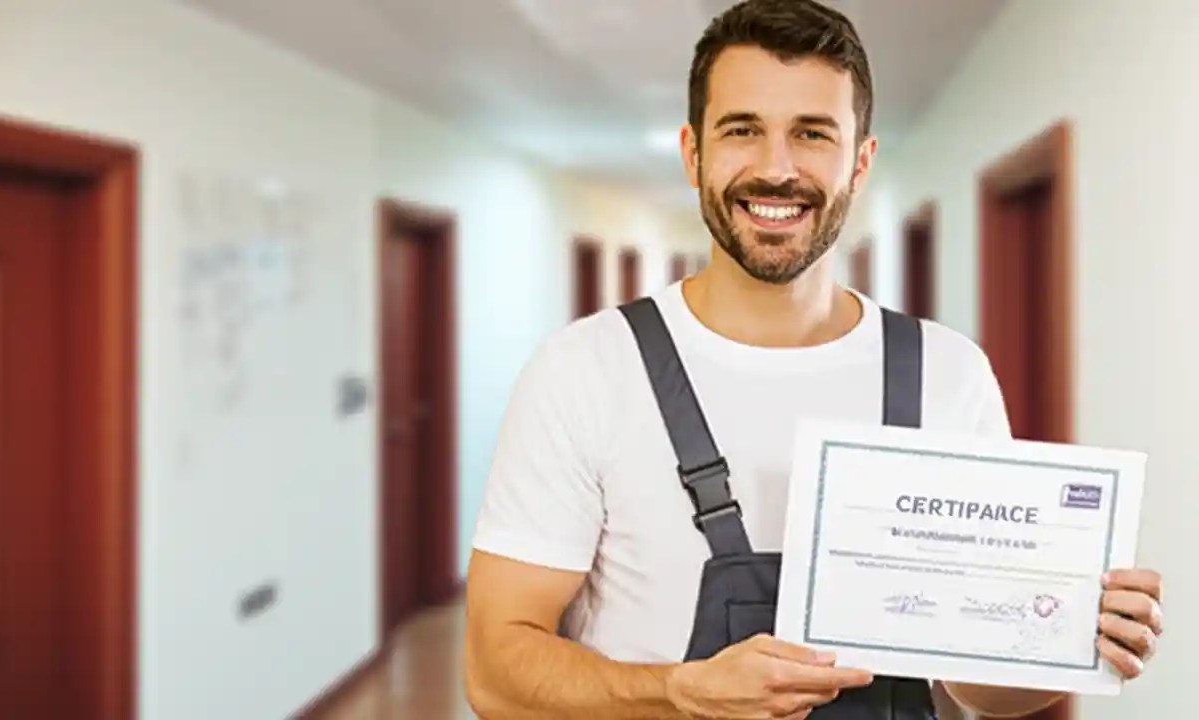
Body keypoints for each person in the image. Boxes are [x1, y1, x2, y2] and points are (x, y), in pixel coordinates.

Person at [462, 0, 1165, 718]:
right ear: (692, 152)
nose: (776, 169)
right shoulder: (586, 370)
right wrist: (675, 693)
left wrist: (1075, 639)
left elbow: (976, 687)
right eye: (742, 130)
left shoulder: (947, 375)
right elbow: (494, 671)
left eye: (812, 134)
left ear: (860, 162)